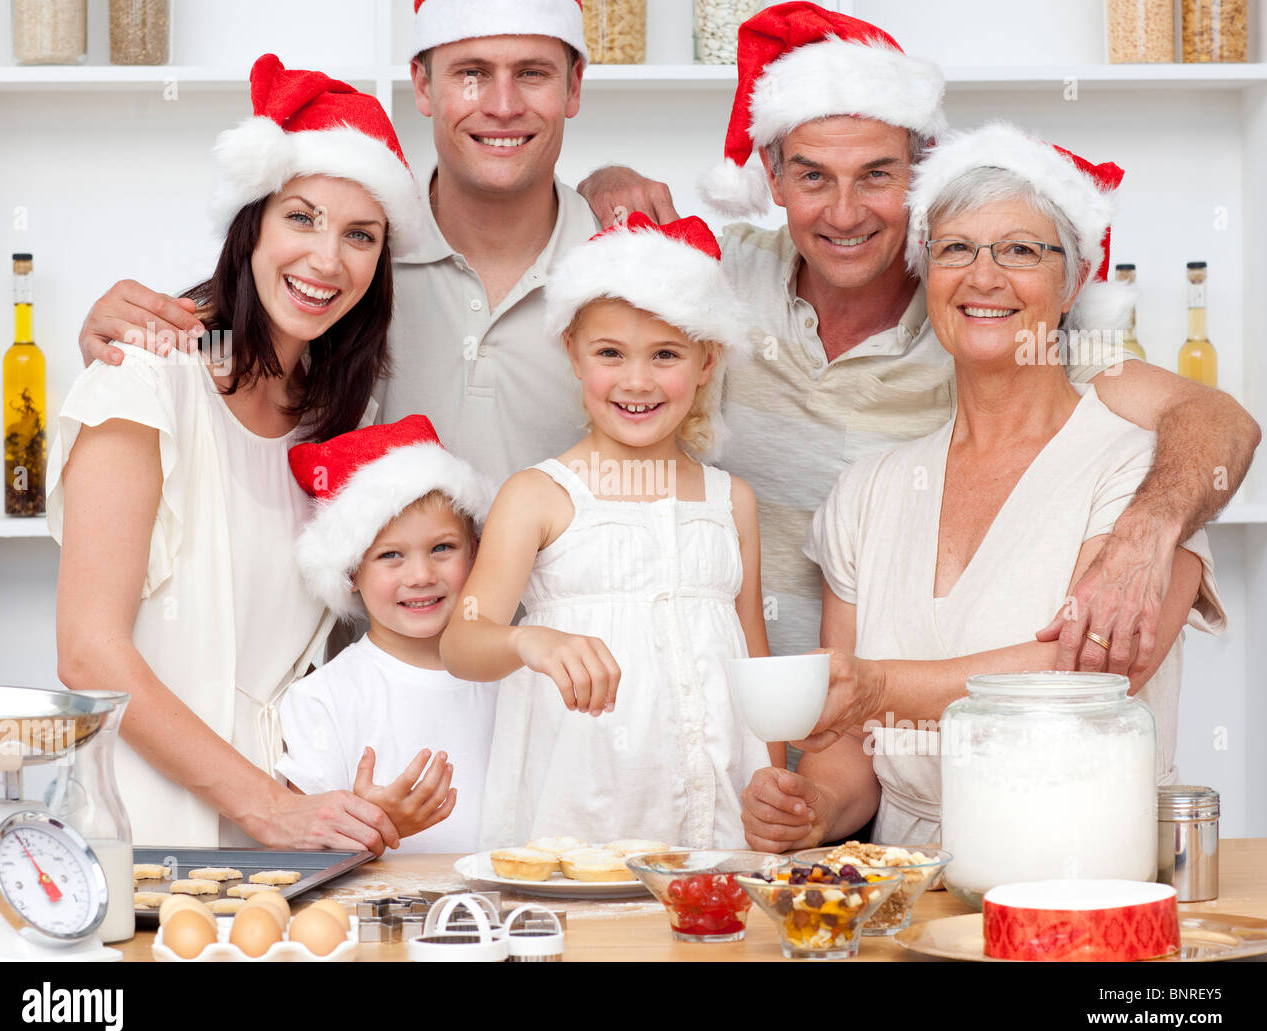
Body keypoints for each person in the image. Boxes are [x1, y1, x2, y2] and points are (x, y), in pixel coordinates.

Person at [579, 2, 1259, 677]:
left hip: (897, 727)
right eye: (814, 175)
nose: (845, 214)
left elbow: (1217, 421)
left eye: (877, 174)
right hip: (731, 721)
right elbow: (588, 314)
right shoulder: (712, 281)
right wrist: (599, 186)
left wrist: (1147, 533)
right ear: (773, 174)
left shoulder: (988, 321)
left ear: (921, 169)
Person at [741, 123, 1226, 850]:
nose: (984, 276)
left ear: (1072, 285)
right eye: (956, 249)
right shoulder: (867, 491)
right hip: (903, 898)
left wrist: (877, 687)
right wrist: (811, 805)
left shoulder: (1147, 473)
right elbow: (848, 759)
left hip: (1077, 869)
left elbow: (1089, 676)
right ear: (927, 276)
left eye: (1021, 250)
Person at [49, 55, 427, 851]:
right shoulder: (143, 375)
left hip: (287, 845)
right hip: (144, 835)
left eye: (360, 235)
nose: (328, 260)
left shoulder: (333, 418)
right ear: (251, 222)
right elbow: (88, 654)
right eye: (302, 218)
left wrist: (332, 804)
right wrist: (266, 807)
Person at [73, 0, 668, 484]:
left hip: (579, 635)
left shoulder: (633, 269)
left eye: (532, 73)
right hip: (368, 637)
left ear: (574, 87)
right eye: (472, 73)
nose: (503, 105)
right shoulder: (350, 269)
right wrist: (140, 343)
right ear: (423, 84)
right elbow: (240, 369)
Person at [440, 214, 779, 848]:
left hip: (722, 830)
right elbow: (462, 642)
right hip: (582, 824)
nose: (637, 381)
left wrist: (774, 784)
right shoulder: (537, 496)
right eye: (610, 354)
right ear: (572, 352)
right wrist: (528, 642)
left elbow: (754, 663)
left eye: (666, 355)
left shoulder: (731, 502)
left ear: (708, 361)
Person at [277, 415, 499, 853]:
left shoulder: (510, 674)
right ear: (351, 571)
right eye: (390, 555)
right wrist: (376, 826)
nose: (420, 575)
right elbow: (306, 851)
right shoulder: (324, 697)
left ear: (474, 551)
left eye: (442, 548)